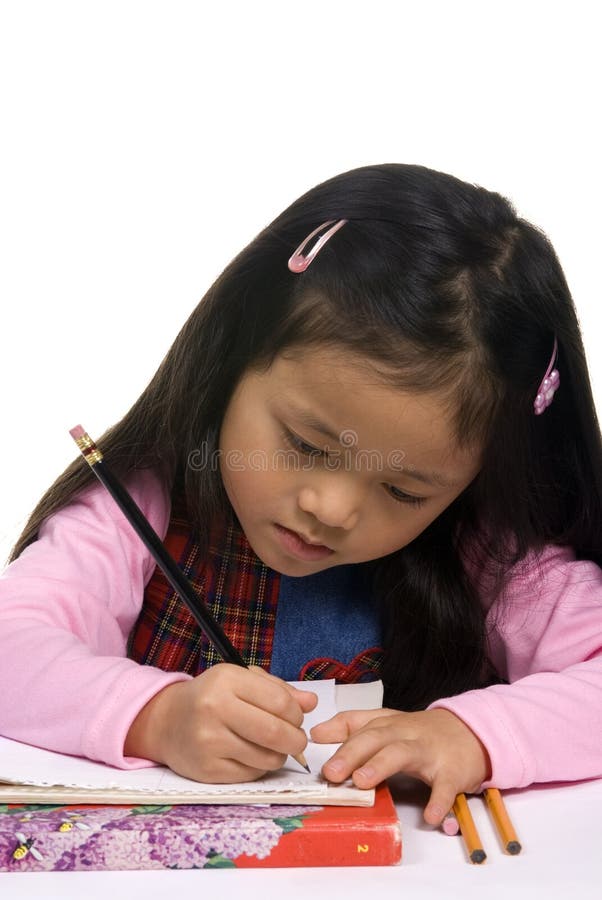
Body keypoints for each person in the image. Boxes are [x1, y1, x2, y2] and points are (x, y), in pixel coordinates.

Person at [0, 163, 600, 828]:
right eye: (308, 446)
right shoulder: (141, 506)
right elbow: (11, 647)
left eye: (403, 490)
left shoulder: (486, 551)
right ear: (234, 360)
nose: (332, 509)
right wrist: (155, 718)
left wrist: (475, 735)